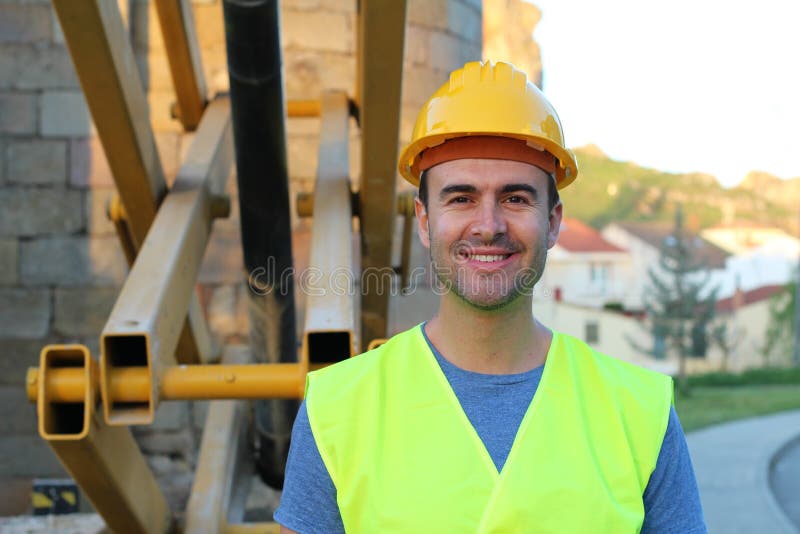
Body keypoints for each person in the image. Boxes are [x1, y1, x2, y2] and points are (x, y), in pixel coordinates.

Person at [275, 60, 706, 533]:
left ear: (553, 222)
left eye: (515, 198)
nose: (488, 226)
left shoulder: (640, 413)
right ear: (424, 220)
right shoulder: (337, 410)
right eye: (461, 198)